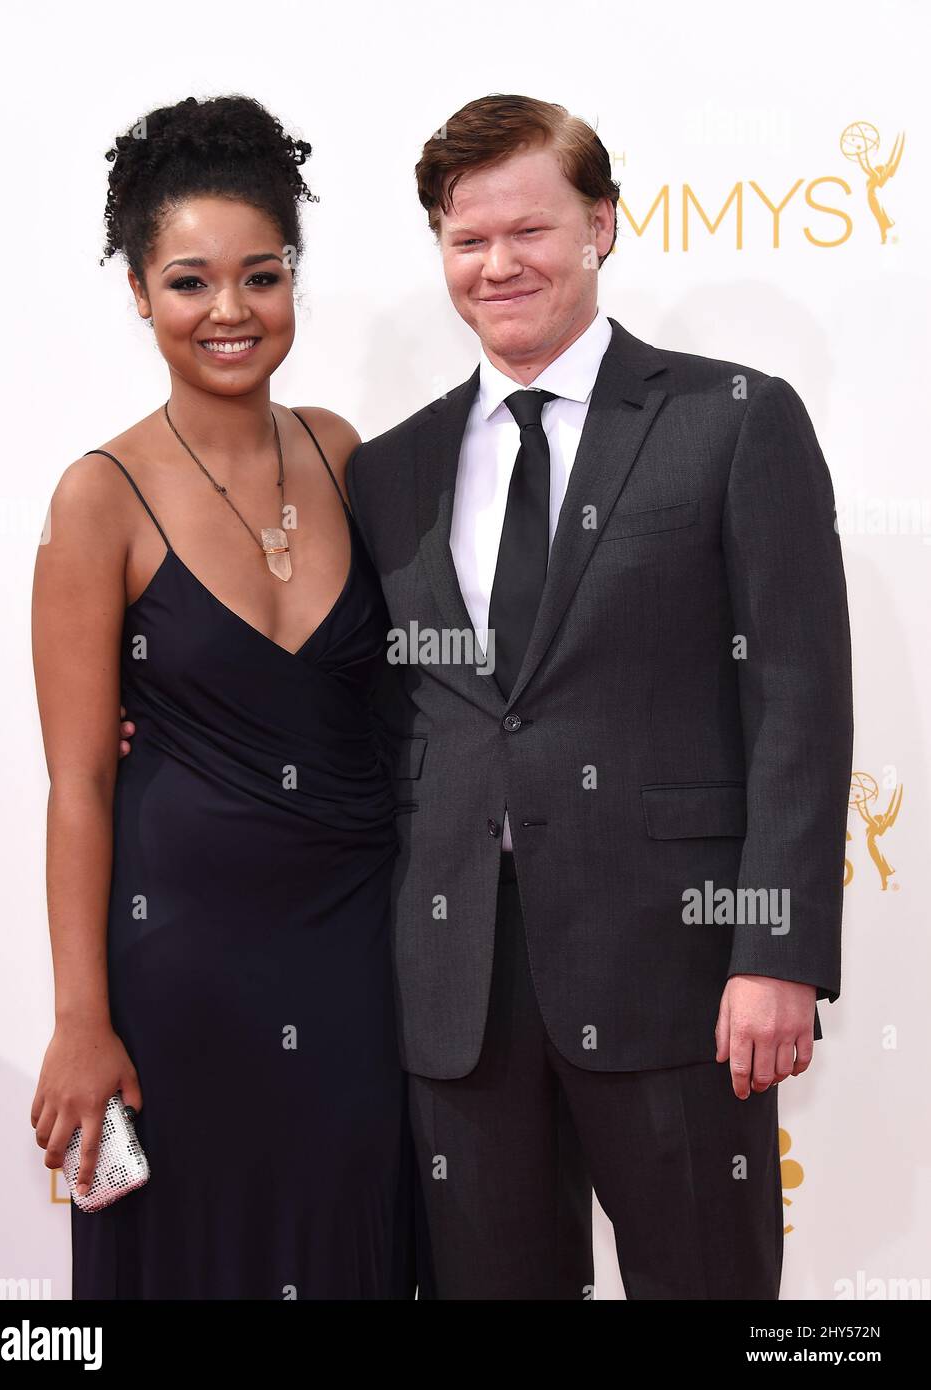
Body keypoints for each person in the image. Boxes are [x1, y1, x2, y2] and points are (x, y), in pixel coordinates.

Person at [342, 94, 853, 1299]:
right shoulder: (389, 467)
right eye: (466, 241)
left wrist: (775, 947)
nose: (497, 264)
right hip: (457, 978)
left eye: (528, 230)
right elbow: (374, 704)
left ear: (601, 226)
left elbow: (798, 700)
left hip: (673, 971)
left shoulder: (729, 420)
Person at [30, 94, 416, 1299]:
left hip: (358, 952)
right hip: (183, 968)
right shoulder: (99, 498)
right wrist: (82, 1019)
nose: (231, 311)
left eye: (261, 275)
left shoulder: (347, 452)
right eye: (190, 281)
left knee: (351, 1239)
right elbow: (80, 779)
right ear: (140, 294)